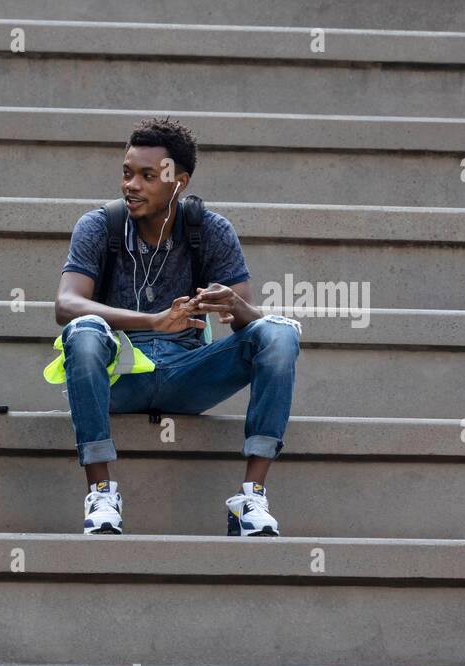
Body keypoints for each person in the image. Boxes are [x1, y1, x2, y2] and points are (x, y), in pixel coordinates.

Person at [54, 117, 301, 536]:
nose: (131, 185)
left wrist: (235, 304)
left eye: (148, 176)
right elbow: (66, 303)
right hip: (120, 373)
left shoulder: (210, 230)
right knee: (84, 329)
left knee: (280, 331)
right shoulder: (100, 225)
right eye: (127, 172)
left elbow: (251, 320)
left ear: (178, 182)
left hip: (188, 373)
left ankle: (252, 495)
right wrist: (152, 321)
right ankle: (100, 492)